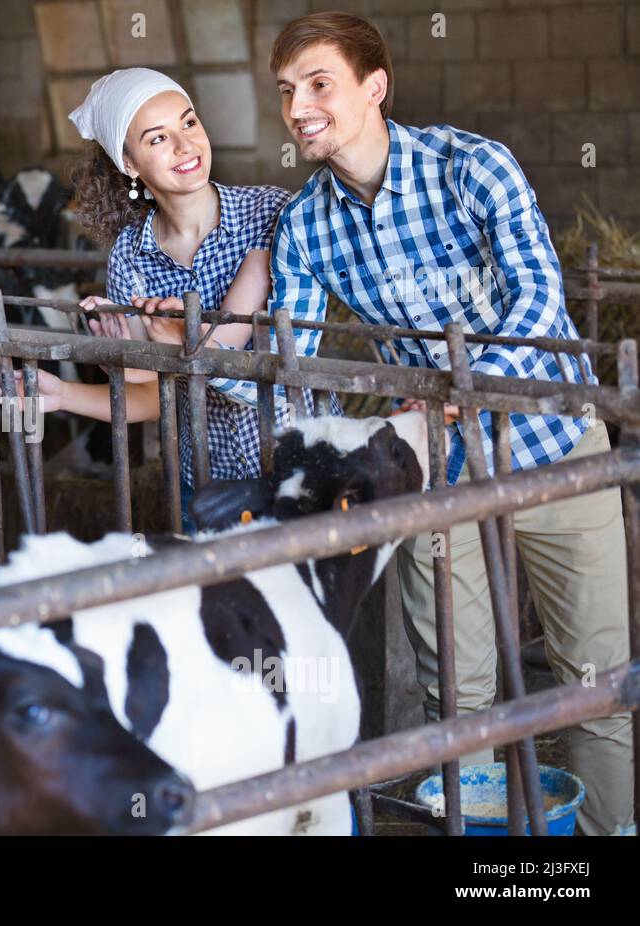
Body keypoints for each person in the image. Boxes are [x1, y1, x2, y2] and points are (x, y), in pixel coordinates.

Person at [265, 11, 632, 834]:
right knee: (456, 695)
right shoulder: (305, 225)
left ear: (375, 88)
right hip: (440, 467)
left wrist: (461, 388)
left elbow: (537, 296)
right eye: (287, 92)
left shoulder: (475, 167)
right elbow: (294, 364)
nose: (298, 108)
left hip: (554, 441)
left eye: (318, 84)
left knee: (595, 680)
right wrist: (327, 462)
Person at [1, 67, 316, 532]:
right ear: (129, 164)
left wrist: (176, 345)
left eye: (189, 123)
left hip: (302, 469)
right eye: (157, 139)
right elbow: (149, 398)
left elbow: (265, 358)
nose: (185, 146)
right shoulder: (130, 256)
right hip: (205, 485)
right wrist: (69, 389)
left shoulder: (270, 212)